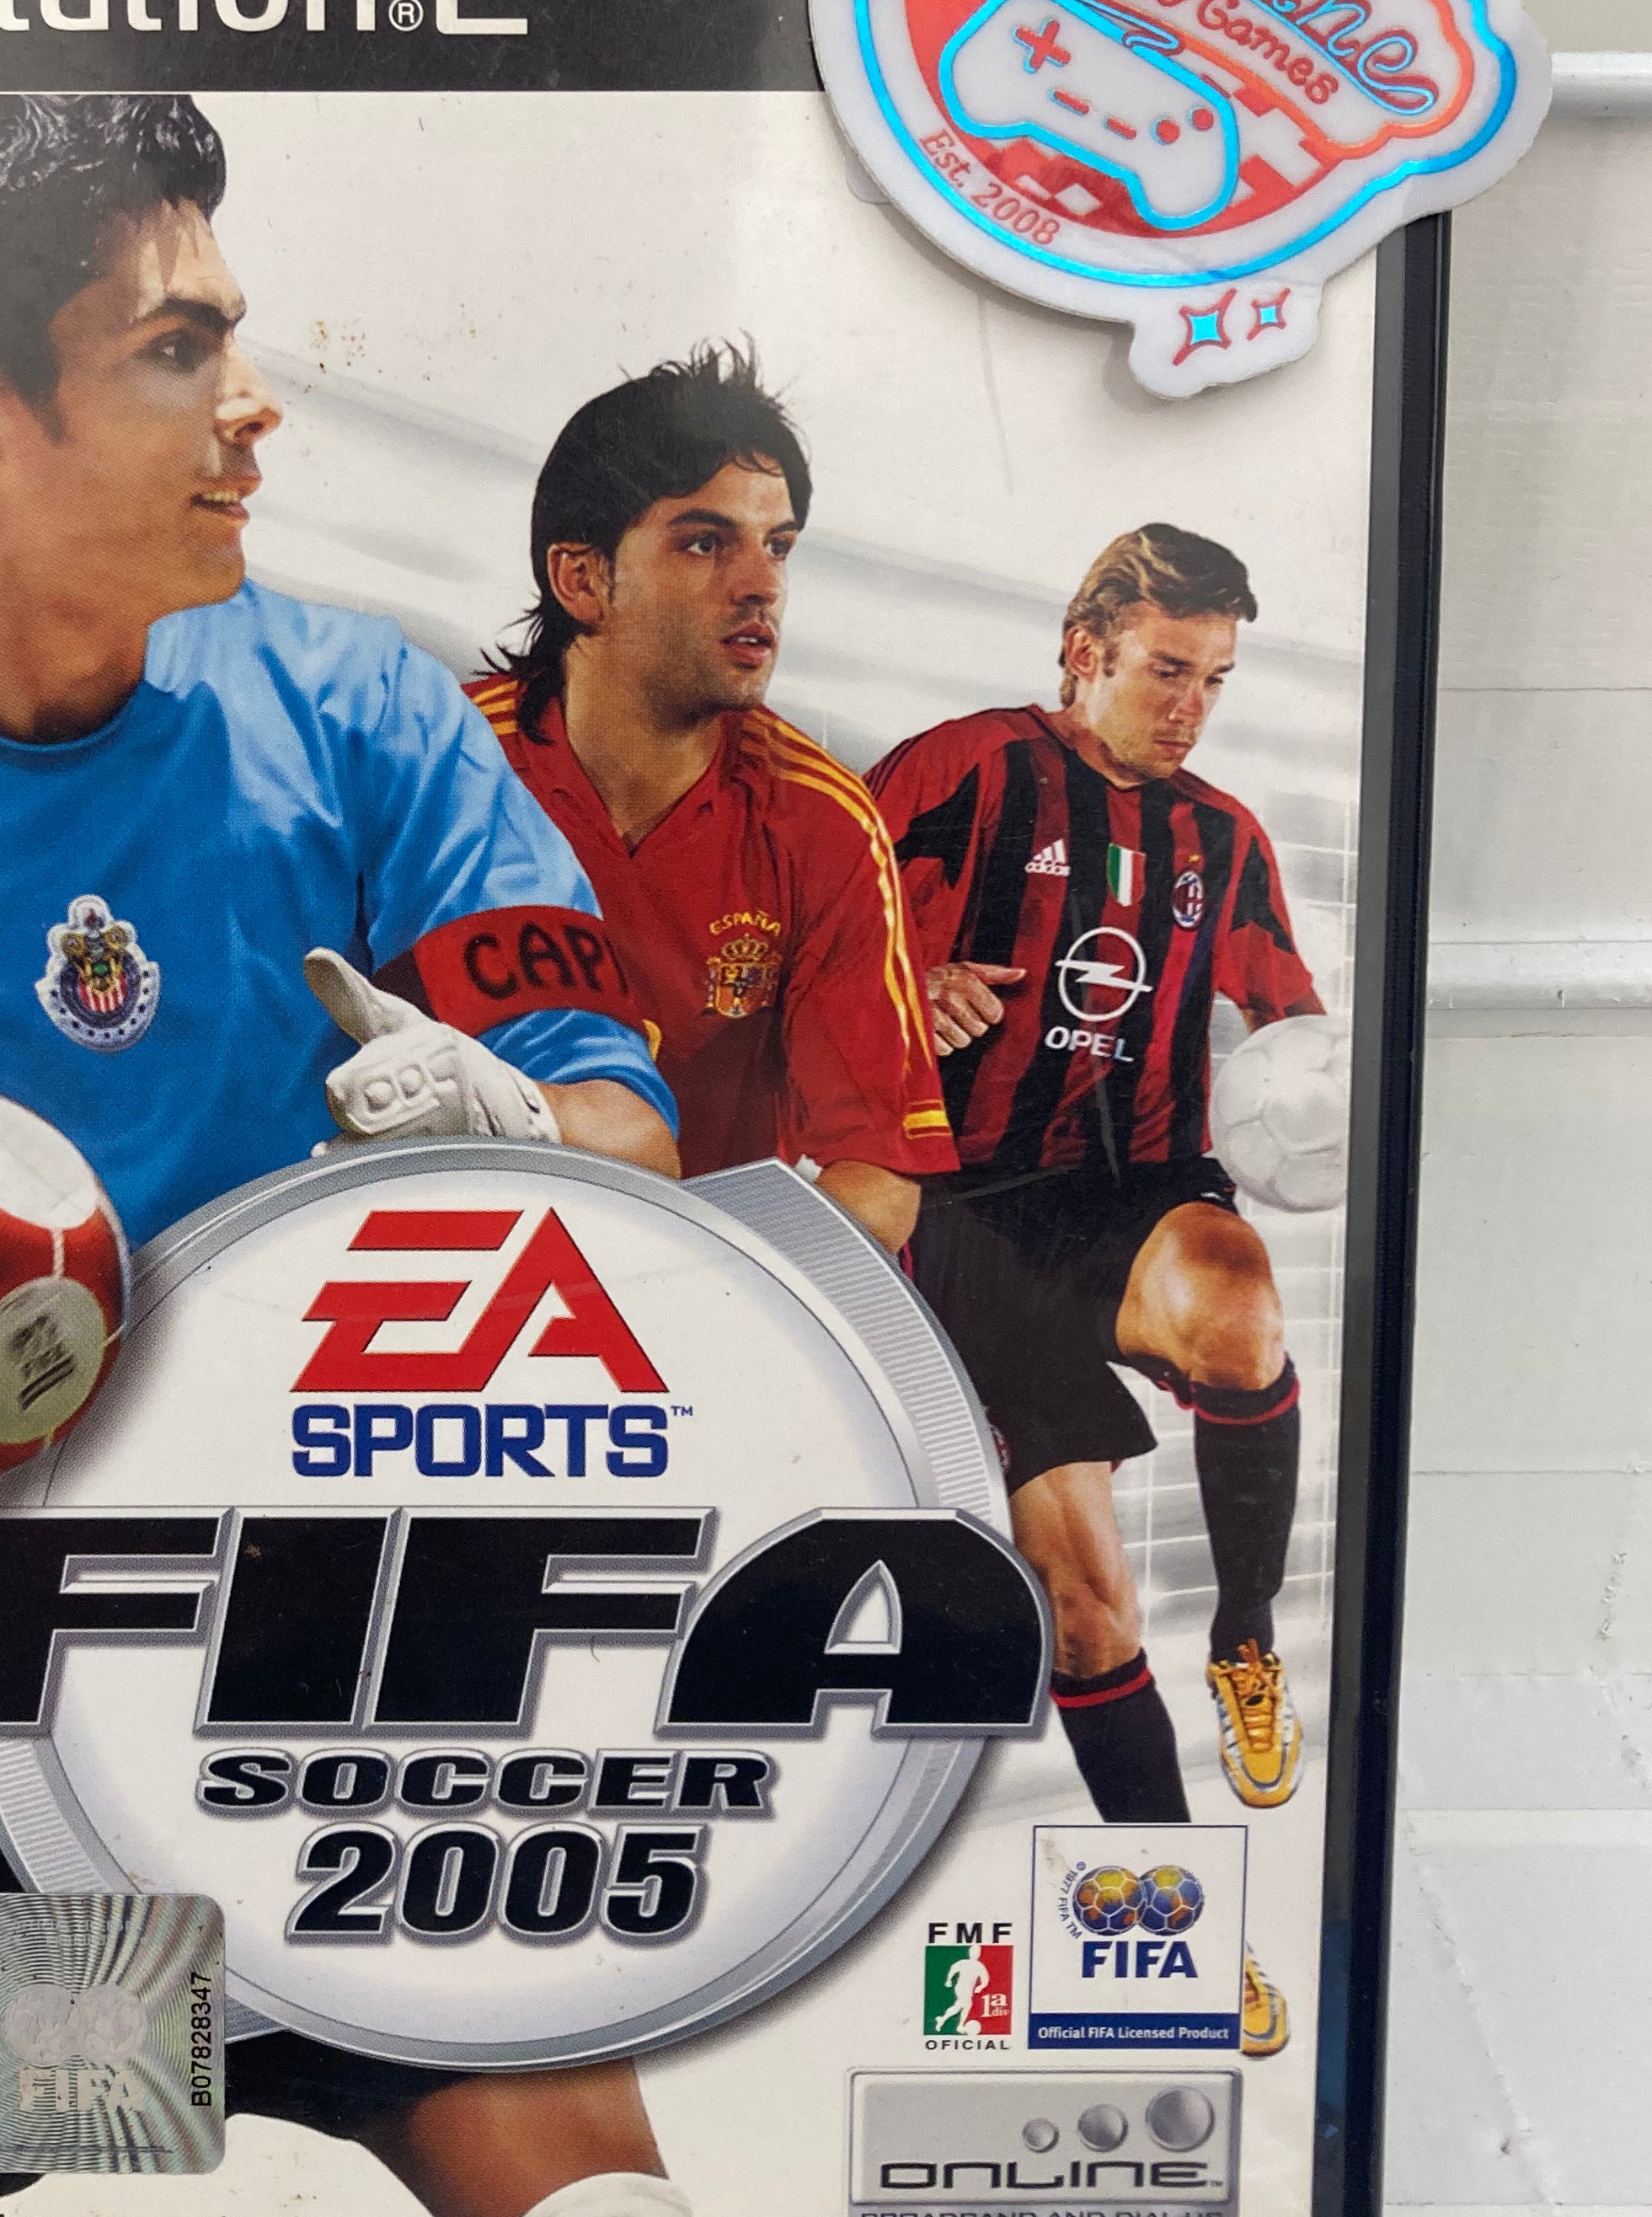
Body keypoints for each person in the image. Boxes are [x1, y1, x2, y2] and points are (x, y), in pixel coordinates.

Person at [0, 89, 714, 2217]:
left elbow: (627, 1123)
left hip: (311, 1626)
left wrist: (522, 1133)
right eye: (180, 348)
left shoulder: (365, 713)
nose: (256, 401)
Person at [869, 524, 1326, 2061]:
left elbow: (1294, 1038)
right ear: (1083, 649)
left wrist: (1327, 1093)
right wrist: (913, 985)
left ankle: (1246, 1639)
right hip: (964, 1224)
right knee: (1081, 1606)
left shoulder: (1225, 838)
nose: (1189, 706)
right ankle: (1182, 1943)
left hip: (1132, 1196)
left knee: (1239, 1306)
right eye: (1164, 670)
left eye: (1214, 680)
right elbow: (808, 943)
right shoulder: (958, 773)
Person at [468, 345, 953, 1254]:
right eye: (705, 542)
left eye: (779, 546)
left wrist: (712, 1292)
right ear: (582, 579)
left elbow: (879, 1175)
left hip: (694, 1286)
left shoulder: (822, 822)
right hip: (433, 1253)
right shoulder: (437, 764)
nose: (762, 584)